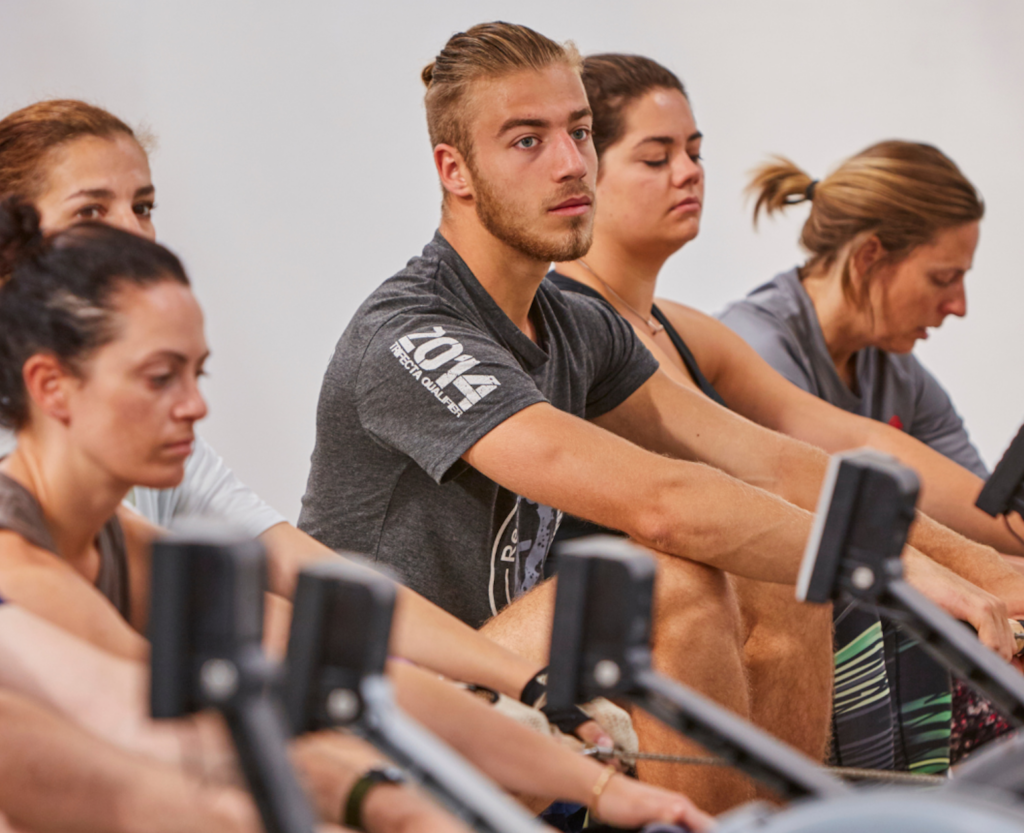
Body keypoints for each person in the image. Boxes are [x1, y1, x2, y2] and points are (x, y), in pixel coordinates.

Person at [298, 21, 1024, 811]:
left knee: (776, 564)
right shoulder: (412, 333)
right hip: (387, 689)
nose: (573, 162)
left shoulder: (575, 322)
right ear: (455, 170)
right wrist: (895, 568)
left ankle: (781, 825)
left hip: (525, 676)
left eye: (577, 131)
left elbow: (772, 461)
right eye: (527, 141)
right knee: (670, 576)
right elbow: (665, 503)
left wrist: (992, 574)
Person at [0, 199, 707, 831]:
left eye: (197, 374)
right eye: (160, 377)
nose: (195, 406)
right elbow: (193, 741)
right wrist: (393, 804)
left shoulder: (115, 536)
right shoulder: (19, 563)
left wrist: (595, 783)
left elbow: (353, 672)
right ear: (52, 386)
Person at [0, 99, 635, 754]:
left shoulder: (154, 439)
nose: (134, 235)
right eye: (91, 213)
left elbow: (303, 586)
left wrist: (527, 684)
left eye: (144, 206)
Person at [545, 56, 1016, 774]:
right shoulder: (577, 325)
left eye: (696, 152)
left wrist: (996, 565)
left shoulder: (683, 326)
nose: (689, 173)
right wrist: (948, 571)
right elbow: (757, 494)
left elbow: (838, 447)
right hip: (662, 645)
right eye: (657, 156)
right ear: (586, 169)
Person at [716, 142, 1008, 763]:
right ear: (871, 255)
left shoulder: (900, 372)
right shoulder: (756, 347)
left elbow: (988, 525)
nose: (958, 305)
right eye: (943, 277)